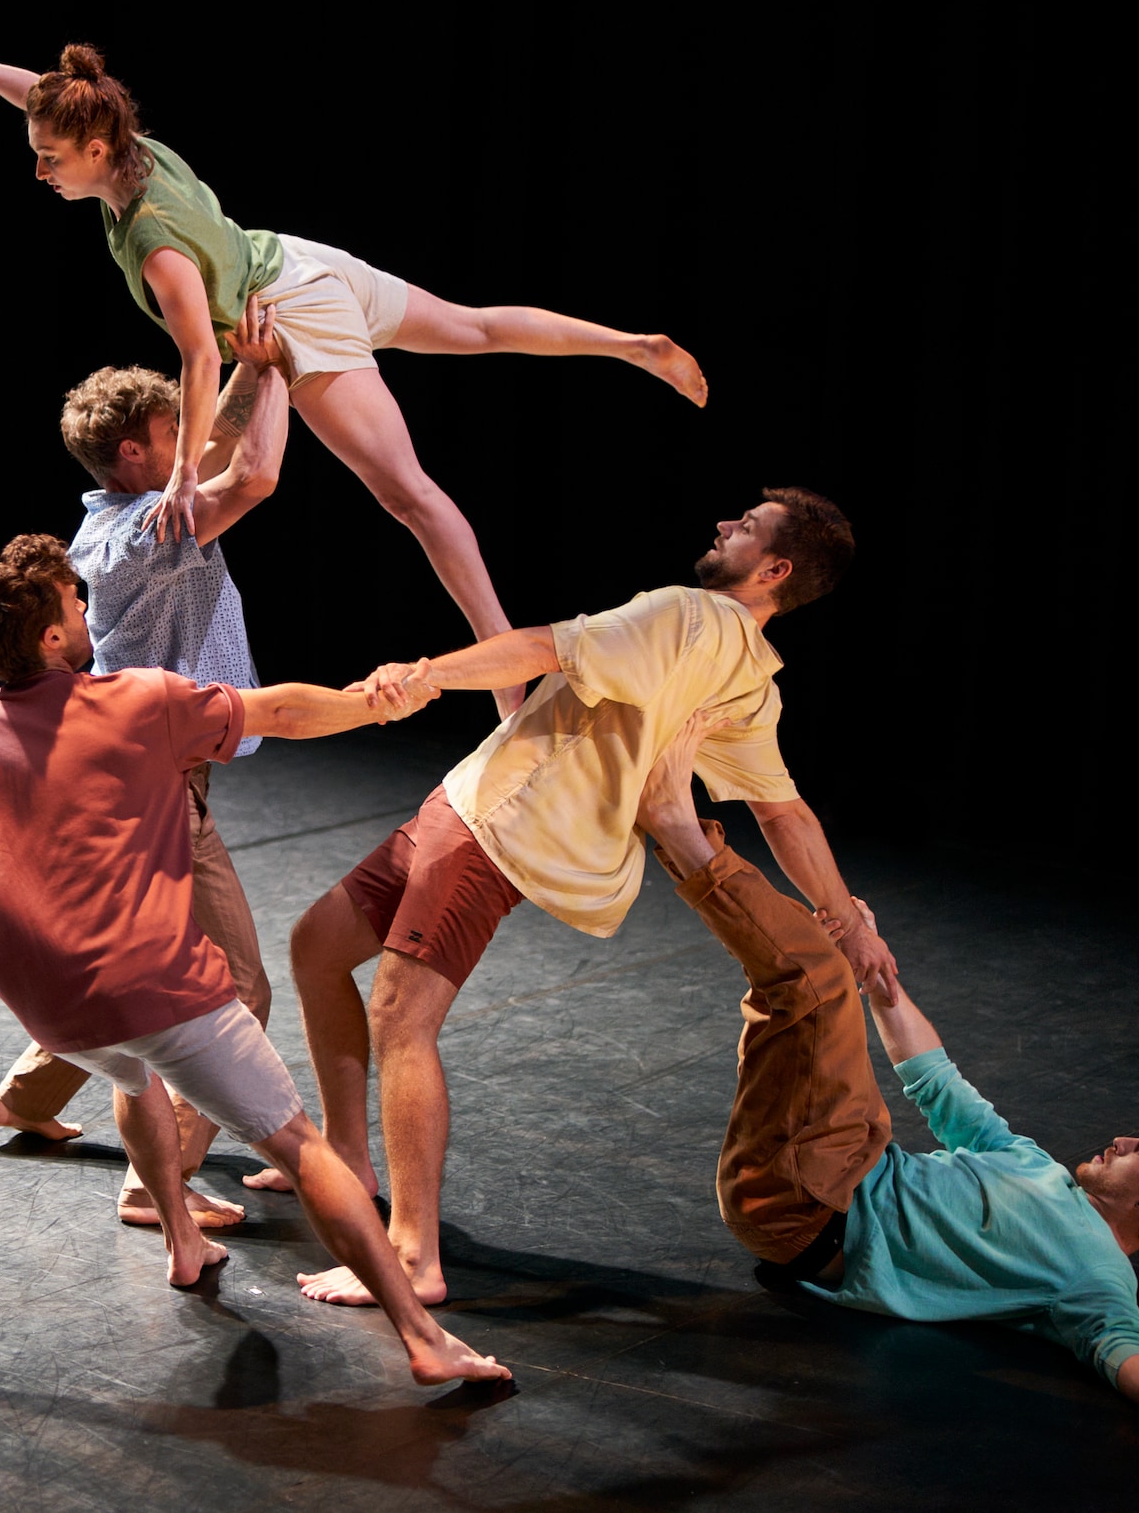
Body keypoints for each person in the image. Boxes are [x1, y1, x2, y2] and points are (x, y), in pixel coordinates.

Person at [0, 533, 508, 1387]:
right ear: (50, 637)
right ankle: (423, 1337)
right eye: (77, 606)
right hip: (161, 992)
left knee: (129, 1073)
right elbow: (283, 712)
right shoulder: (138, 701)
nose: (89, 614)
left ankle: (184, 1243)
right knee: (303, 1146)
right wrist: (377, 703)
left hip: (53, 1015)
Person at [0, 10, 707, 715]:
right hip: (300, 258)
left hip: (293, 312)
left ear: (94, 150)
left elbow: (203, 356)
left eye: (49, 159)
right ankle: (634, 345)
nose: (41, 171)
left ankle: (505, 668)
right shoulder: (135, 149)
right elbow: (45, 99)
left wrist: (182, 472)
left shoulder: (156, 247)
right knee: (473, 329)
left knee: (410, 495)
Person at [292, 488, 891, 1309]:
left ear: (776, 569)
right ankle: (350, 1158)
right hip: (472, 802)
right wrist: (848, 920)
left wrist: (426, 676)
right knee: (317, 944)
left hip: (496, 823)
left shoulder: (688, 614)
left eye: (747, 527)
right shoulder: (751, 675)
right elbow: (782, 813)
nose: (723, 524)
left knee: (403, 1016)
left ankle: (412, 1254)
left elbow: (546, 647)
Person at [632, 712, 1139, 1461]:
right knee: (809, 983)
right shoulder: (1033, 1164)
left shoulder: (1094, 1277)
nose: (1122, 1138)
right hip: (849, 1156)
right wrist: (878, 974)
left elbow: (1128, 1356)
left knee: (808, 975)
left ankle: (672, 820)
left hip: (817, 1206)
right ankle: (670, 828)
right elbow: (936, 1079)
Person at [0, 300, 300, 1227]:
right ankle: (156, 1186)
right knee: (235, 984)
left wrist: (246, 363)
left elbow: (224, 436)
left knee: (121, 965)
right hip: (157, 778)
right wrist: (281, 368)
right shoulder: (147, 533)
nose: (186, 440)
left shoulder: (126, 515)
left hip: (139, 767)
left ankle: (26, 1098)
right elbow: (260, 473)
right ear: (133, 454)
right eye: (171, 433)